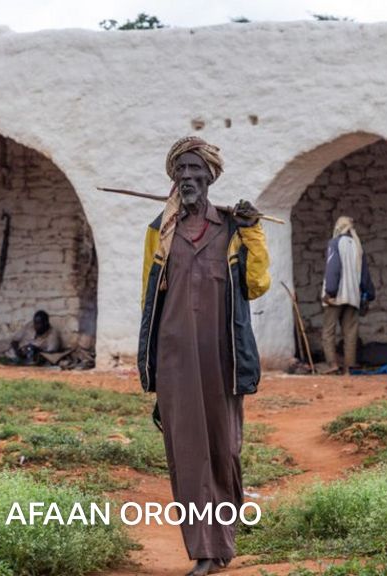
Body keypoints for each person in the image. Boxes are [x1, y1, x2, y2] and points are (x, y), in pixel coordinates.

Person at [137, 136, 270, 576]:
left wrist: (253, 231)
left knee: (224, 450)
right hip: (175, 359)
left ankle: (224, 542)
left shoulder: (232, 229)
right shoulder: (160, 231)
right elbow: (149, 300)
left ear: (211, 176)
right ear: (173, 177)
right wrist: (152, 368)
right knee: (189, 454)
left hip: (222, 358)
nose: (189, 177)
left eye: (197, 170)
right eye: (182, 170)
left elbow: (256, 285)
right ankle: (204, 551)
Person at [320, 216, 376, 374]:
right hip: (353, 295)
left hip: (336, 296)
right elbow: (364, 275)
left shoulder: (335, 243)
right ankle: (350, 365)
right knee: (350, 332)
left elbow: (333, 268)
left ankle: (332, 364)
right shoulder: (357, 245)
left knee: (328, 331)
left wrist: (329, 291)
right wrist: (369, 294)